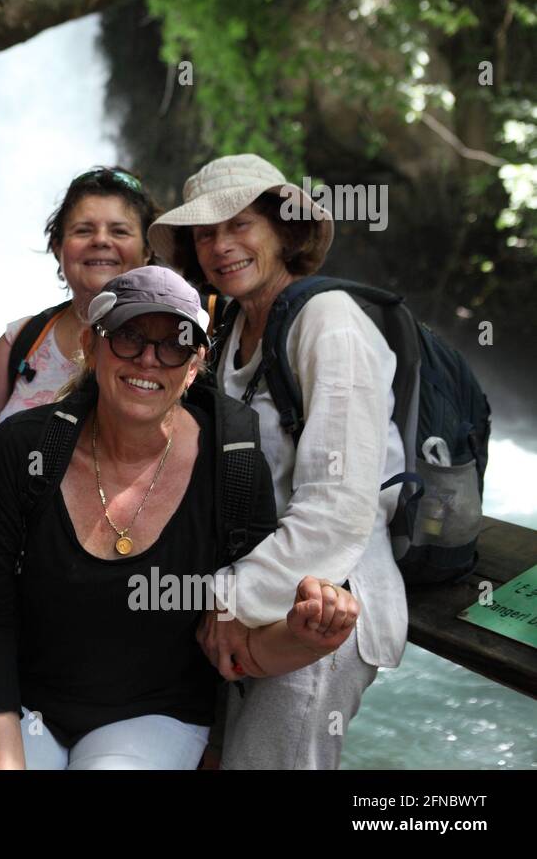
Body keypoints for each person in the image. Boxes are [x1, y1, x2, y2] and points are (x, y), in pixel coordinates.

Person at [0, 266, 363, 770]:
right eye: (130, 336)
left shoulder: (233, 465)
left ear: (195, 364)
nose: (150, 359)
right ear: (92, 344)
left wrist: (309, 638)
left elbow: (237, 648)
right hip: (21, 702)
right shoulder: (23, 448)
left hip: (155, 714)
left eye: (175, 344)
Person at [149, 153, 408, 769]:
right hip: (251, 597)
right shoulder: (232, 326)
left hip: (322, 608)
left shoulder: (330, 322)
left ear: (283, 231)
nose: (221, 245)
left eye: (241, 224)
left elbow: (339, 509)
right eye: (205, 234)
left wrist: (226, 600)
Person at [0, 167, 154, 474]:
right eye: (83, 230)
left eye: (119, 231)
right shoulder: (21, 342)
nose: (101, 240)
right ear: (58, 247)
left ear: (147, 250)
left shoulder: (172, 346)